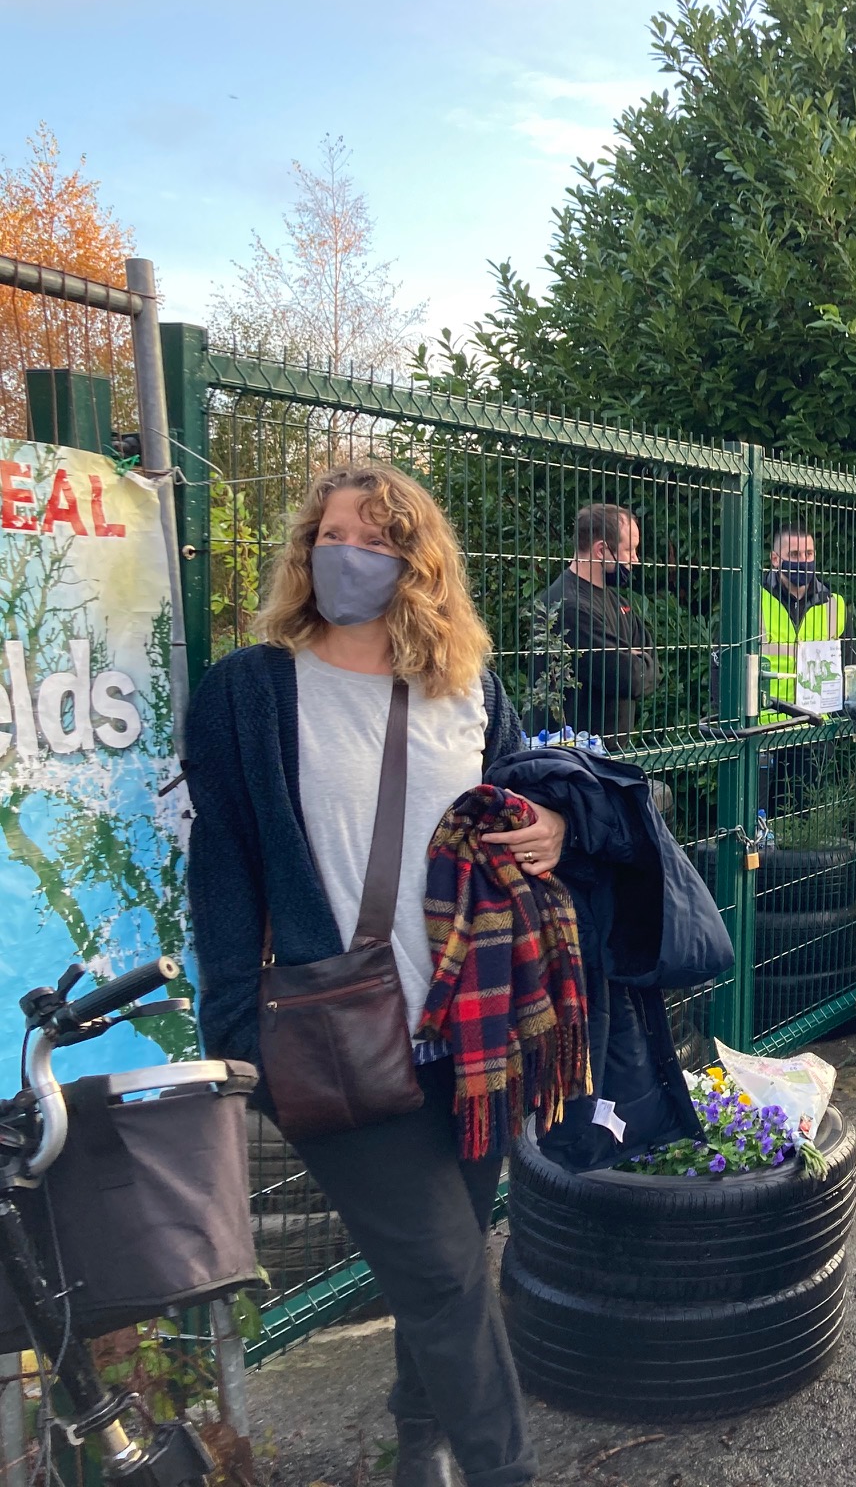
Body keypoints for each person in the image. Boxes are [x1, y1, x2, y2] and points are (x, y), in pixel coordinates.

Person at [185, 465, 565, 1487]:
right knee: (443, 1274)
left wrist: (557, 824)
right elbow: (222, 871)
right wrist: (240, 1033)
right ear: (305, 550)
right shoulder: (249, 693)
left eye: (376, 537)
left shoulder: (469, 689)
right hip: (334, 1035)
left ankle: (418, 1442)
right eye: (331, 533)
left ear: (416, 563)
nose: (347, 552)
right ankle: (503, 1472)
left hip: (469, 1032)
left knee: (448, 1262)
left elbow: (527, 798)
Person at [534, 502, 658, 741]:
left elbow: (654, 668)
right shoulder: (568, 605)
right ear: (601, 550)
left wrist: (635, 660)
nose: (635, 560)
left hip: (608, 753)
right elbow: (628, 679)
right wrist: (634, 660)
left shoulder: (618, 602)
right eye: (629, 550)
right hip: (572, 753)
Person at [761, 524, 848, 719]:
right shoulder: (753, 602)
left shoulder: (834, 605)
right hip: (767, 728)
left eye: (808, 554)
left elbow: (848, 668)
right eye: (794, 554)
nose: (803, 561)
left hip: (817, 727)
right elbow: (722, 664)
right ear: (775, 559)